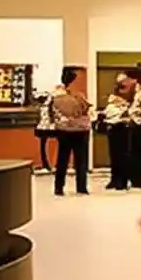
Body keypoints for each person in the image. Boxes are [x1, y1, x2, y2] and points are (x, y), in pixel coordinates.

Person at [52, 67, 91, 196]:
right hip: (79, 129)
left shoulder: (56, 95)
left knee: (62, 158)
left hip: (64, 129)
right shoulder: (76, 96)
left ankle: (59, 187)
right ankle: (81, 187)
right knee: (81, 160)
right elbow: (82, 109)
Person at [103, 74, 132, 190]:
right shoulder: (115, 94)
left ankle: (122, 181)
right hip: (113, 126)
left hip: (122, 126)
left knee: (123, 155)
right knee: (114, 155)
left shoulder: (130, 94)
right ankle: (115, 179)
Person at [34, 88, 56, 171]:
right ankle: (48, 164)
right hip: (48, 126)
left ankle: (47, 164)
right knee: (46, 145)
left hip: (44, 126)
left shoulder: (40, 106)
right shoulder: (49, 104)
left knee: (44, 145)